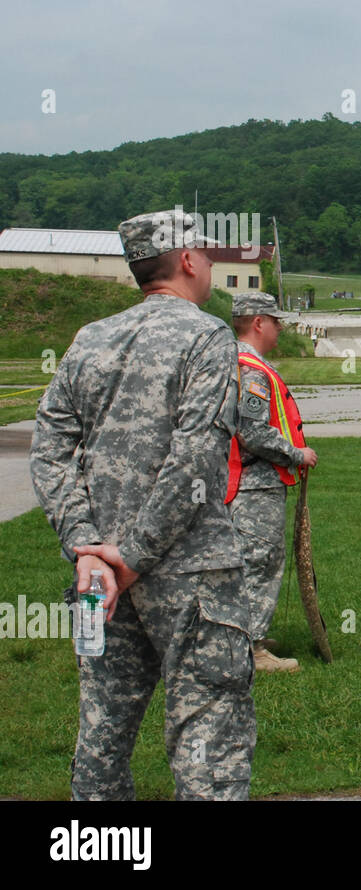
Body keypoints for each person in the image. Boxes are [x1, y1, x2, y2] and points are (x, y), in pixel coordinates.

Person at [29, 209, 255, 800]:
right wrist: (133, 554)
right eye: (205, 253)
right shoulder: (206, 336)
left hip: (98, 579)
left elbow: (50, 449)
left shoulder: (89, 339)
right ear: (186, 261)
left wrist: (88, 548)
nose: (208, 263)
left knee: (101, 736)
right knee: (208, 735)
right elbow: (196, 461)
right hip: (190, 574)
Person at [225, 292, 319, 673]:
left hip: (248, 481)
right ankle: (251, 647)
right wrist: (299, 454)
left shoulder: (237, 362)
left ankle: (242, 635)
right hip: (254, 484)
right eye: (275, 320)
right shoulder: (250, 369)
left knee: (248, 560)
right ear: (258, 322)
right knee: (259, 561)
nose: (280, 328)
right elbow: (254, 432)